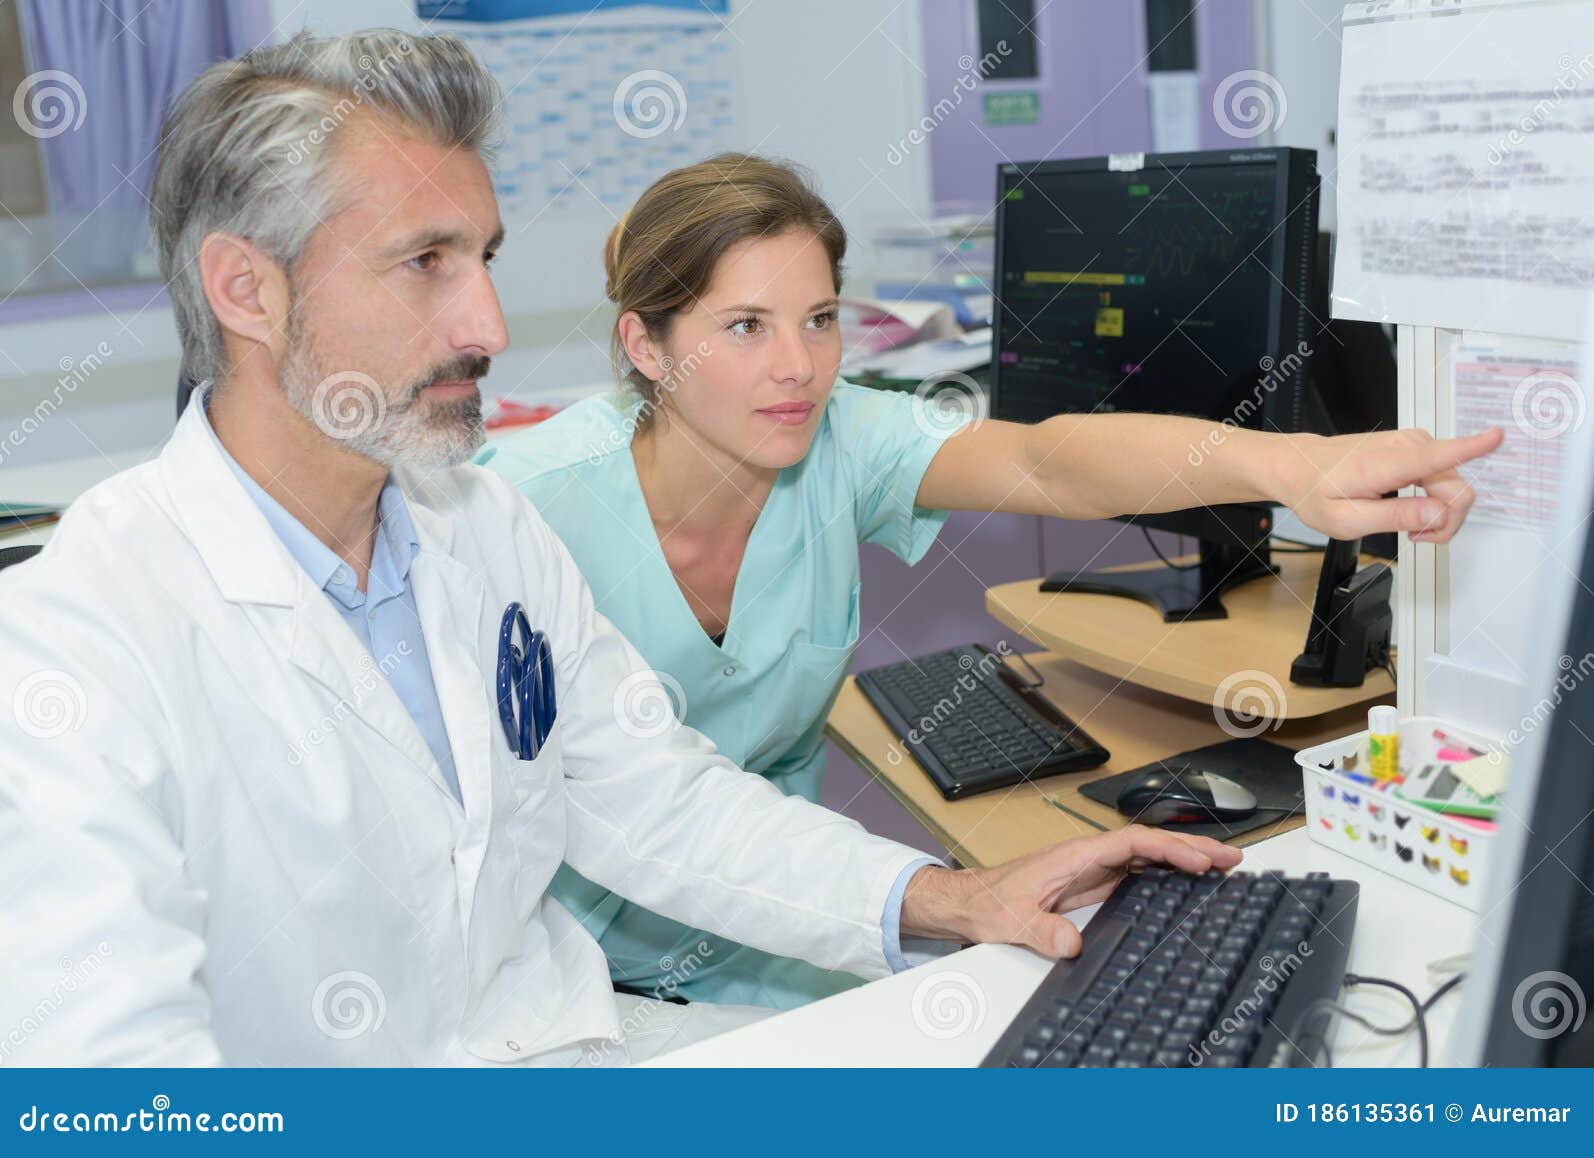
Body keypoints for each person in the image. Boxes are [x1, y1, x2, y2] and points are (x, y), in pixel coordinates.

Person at [0, 30, 1245, 1068]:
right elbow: (112, 1083)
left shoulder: (479, 531)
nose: (486, 321)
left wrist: (949, 897)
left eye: (481, 257)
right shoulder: (76, 643)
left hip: (566, 1050)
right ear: (245, 290)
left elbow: (656, 798)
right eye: (425, 263)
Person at [479, 153, 1503, 1009]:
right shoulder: (518, 508)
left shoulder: (841, 439)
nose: (798, 364)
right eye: (745, 326)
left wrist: (1291, 468)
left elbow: (1046, 459)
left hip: (780, 919)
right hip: (562, 963)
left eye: (820, 318)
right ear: (645, 345)